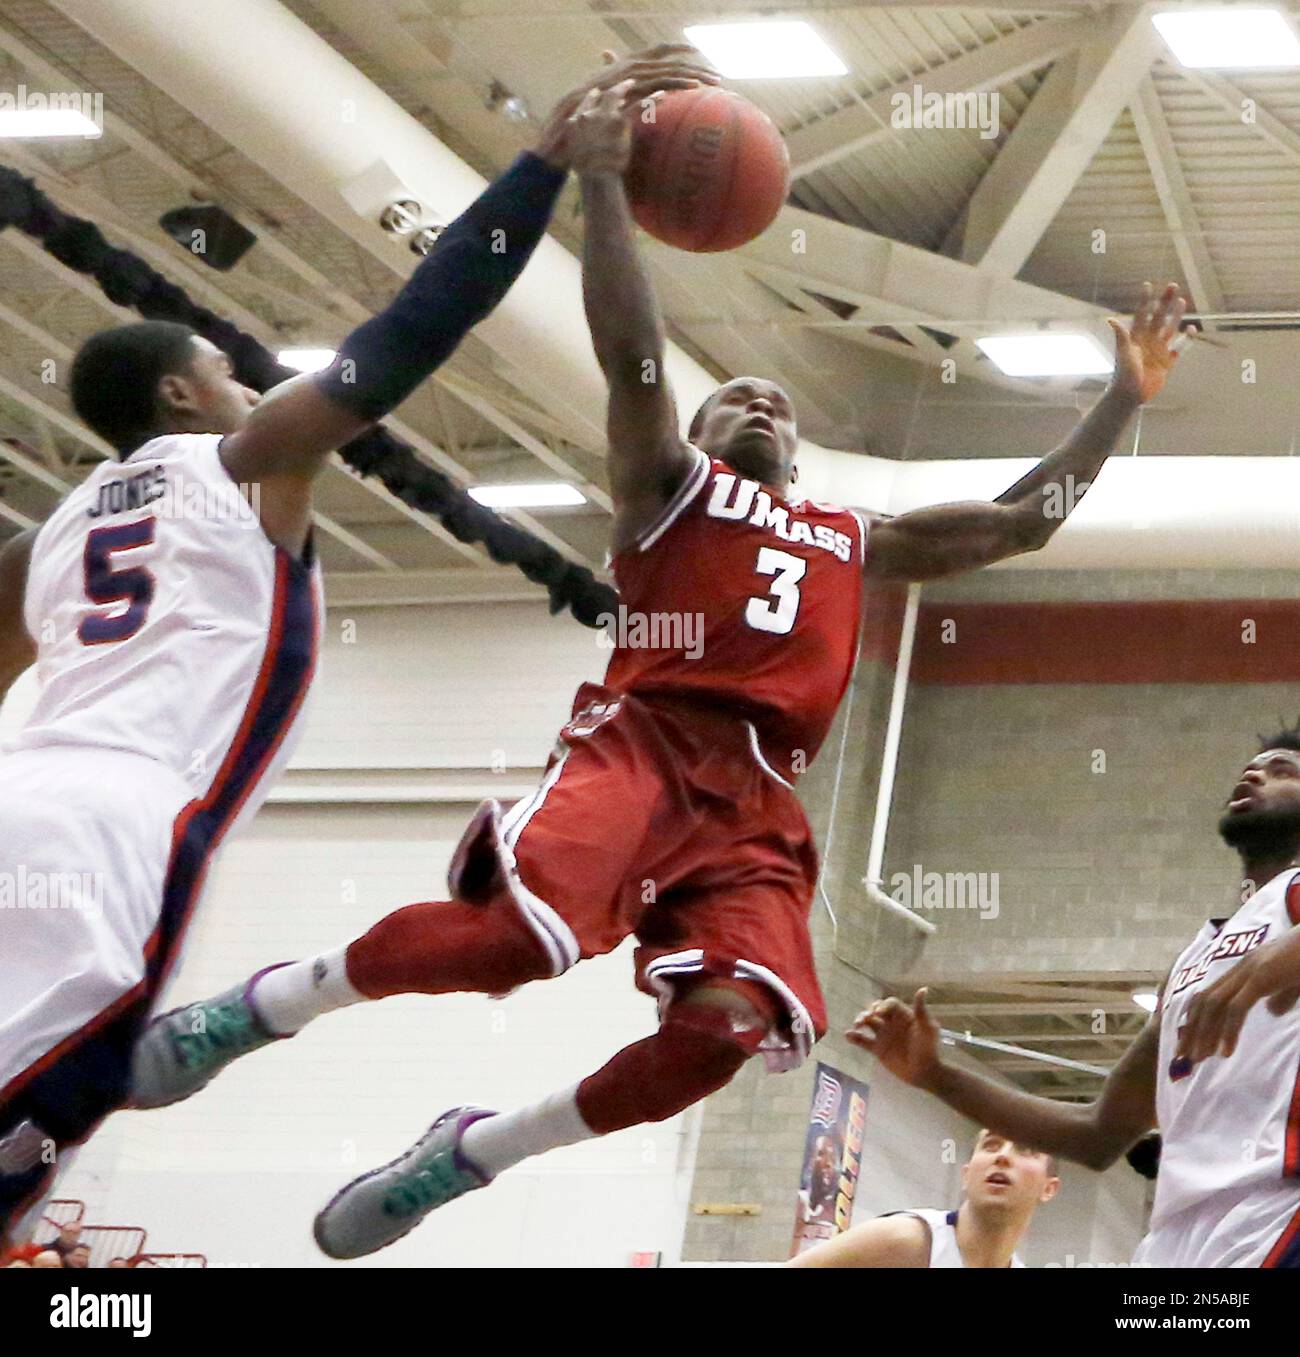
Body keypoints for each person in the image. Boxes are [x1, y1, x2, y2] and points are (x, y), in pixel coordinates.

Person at [130, 80, 1190, 1261]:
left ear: (794, 449)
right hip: (646, 743)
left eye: (774, 400)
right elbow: (632, 356)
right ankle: (264, 1006)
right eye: (733, 390)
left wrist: (1115, 400)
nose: (759, 398)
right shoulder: (666, 487)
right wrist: (596, 185)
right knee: (515, 944)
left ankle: (477, 1150)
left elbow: (1017, 525)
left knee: (729, 1027)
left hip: (756, 803)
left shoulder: (854, 536)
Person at [0, 45, 717, 1248]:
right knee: (30, 1137)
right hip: (122, 821)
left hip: (21, 786)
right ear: (183, 398)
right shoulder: (236, 462)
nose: (247, 386)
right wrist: (539, 170)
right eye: (227, 373)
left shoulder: (48, 539)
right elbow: (408, 334)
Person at [846, 731, 1300, 1268]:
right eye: (1250, 767)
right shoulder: (1195, 959)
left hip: (1275, 1214)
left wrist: (1284, 956)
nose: (1253, 775)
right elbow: (1097, 1134)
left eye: (1281, 770)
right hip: (1179, 1241)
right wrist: (935, 1074)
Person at [790, 1129, 1057, 1268]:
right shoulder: (904, 1240)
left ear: (1049, 1188)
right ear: (966, 1175)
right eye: (991, 1145)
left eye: (1025, 1149)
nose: (1003, 1156)